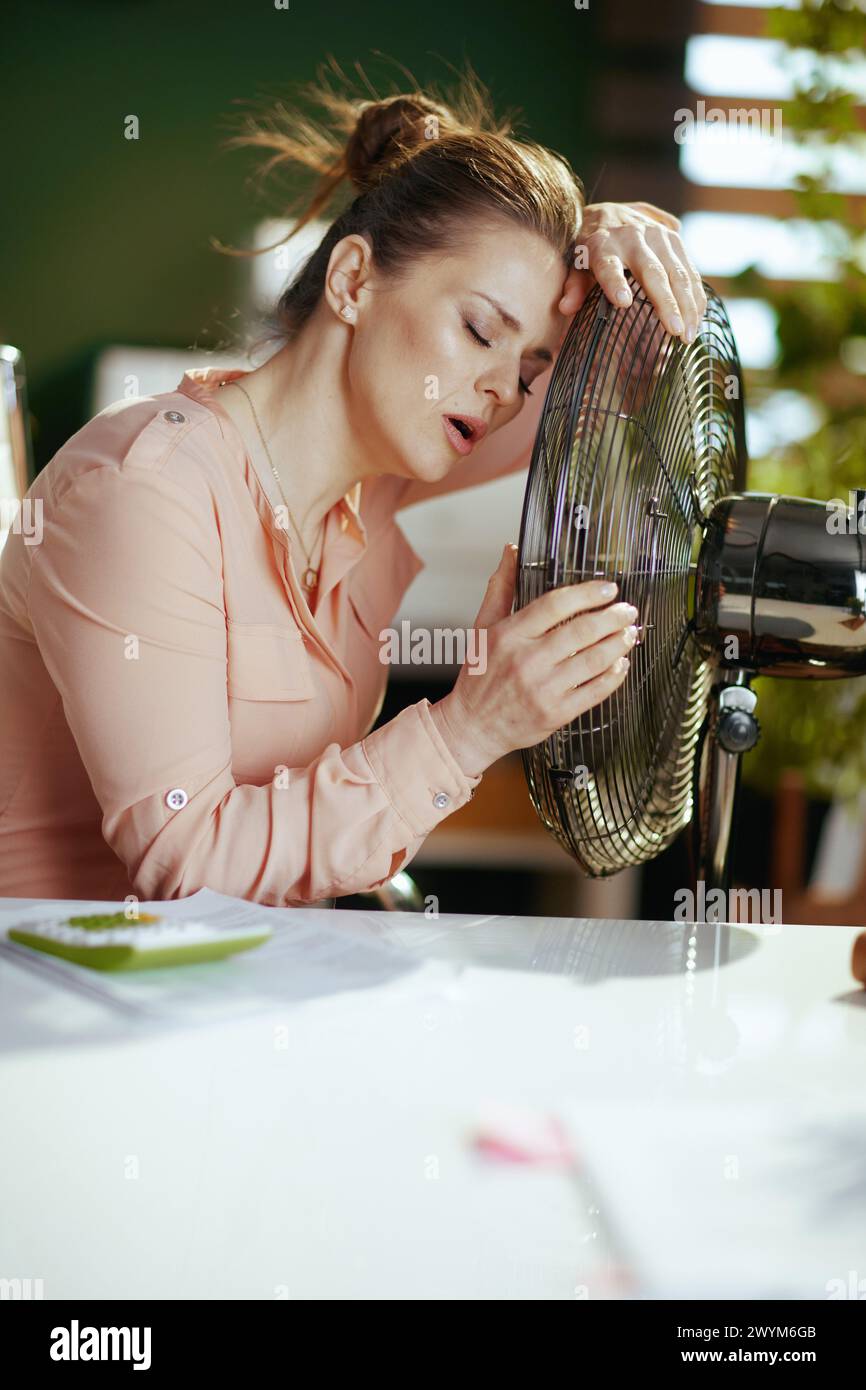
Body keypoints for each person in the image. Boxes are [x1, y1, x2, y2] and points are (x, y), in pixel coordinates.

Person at [0, 69, 706, 907]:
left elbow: (614, 381)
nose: (505, 391)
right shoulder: (140, 497)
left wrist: (613, 231)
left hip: (252, 989)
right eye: (480, 329)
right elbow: (185, 869)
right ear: (353, 280)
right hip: (64, 1002)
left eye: (526, 367)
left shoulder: (373, 482)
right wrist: (470, 728)